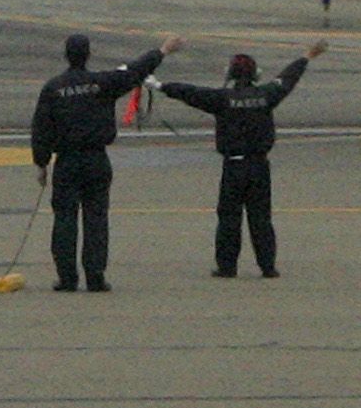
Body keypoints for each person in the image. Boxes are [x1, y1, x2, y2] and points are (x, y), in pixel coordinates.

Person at [158, 41, 327, 279]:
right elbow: (288, 78)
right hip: (259, 166)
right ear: (256, 74)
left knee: (228, 218)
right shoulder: (267, 94)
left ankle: (227, 266)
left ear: (230, 74)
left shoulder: (221, 98)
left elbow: (191, 93)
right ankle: (267, 266)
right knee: (261, 218)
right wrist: (306, 57)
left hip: (234, 166)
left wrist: (161, 85)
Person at [30, 32, 183, 292]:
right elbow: (136, 71)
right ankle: (95, 276)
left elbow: (41, 128)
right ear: (89, 55)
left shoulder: (53, 88)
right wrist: (163, 50)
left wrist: (42, 163)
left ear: (66, 55)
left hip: (67, 161)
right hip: (95, 159)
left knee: (65, 220)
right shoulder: (102, 83)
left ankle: (67, 278)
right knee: (96, 219)